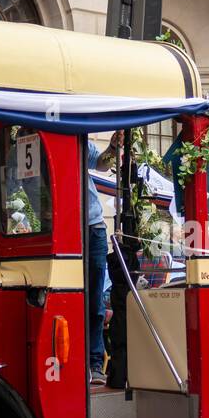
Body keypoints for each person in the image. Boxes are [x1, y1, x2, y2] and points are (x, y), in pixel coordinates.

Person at [85, 133, 121, 384]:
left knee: (95, 300)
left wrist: (112, 147)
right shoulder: (24, 142)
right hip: (62, 229)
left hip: (92, 227)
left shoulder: (74, 133)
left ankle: (95, 363)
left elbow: (101, 163)